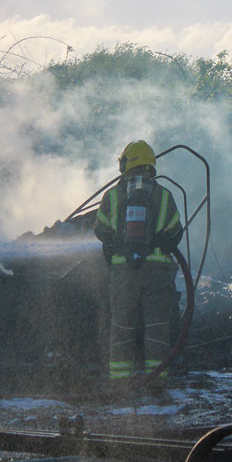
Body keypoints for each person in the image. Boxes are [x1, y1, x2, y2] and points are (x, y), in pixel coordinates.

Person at [94, 140, 183, 392]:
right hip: (157, 273)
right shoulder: (165, 195)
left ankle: (121, 385)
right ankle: (156, 383)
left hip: (123, 272)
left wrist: (119, 244)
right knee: (157, 327)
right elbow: (176, 233)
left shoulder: (112, 196)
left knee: (122, 326)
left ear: (126, 163)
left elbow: (100, 230)